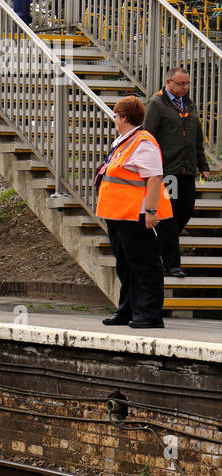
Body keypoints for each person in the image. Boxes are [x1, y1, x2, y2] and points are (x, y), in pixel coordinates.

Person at [97, 96, 173, 330]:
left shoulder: (143, 141)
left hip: (136, 214)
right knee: (125, 265)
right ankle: (127, 310)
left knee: (144, 265)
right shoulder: (123, 141)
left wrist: (151, 211)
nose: (114, 121)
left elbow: (154, 178)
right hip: (118, 214)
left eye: (116, 116)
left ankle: (150, 314)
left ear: (124, 118)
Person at [142, 67, 210, 278]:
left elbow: (196, 137)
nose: (185, 87)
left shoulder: (189, 104)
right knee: (169, 217)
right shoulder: (157, 103)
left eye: (187, 84)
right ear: (169, 82)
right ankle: (172, 264)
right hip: (167, 170)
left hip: (187, 169)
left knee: (186, 210)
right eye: (181, 84)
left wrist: (203, 165)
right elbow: (148, 136)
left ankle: (159, 244)